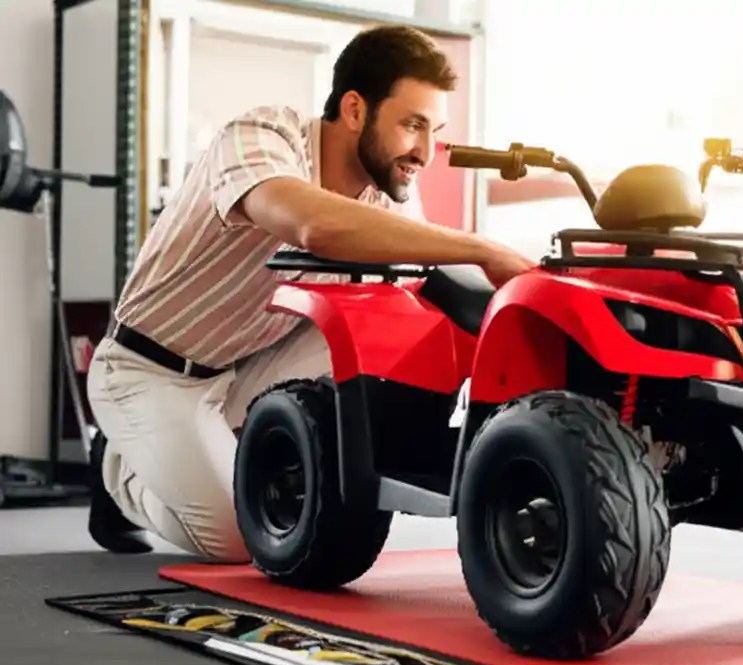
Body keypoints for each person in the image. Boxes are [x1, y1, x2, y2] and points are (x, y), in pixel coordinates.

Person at [84, 24, 536, 559]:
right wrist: (480, 246)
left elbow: (431, 284)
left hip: (241, 367)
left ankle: (223, 452)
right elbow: (311, 224)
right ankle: (119, 472)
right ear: (353, 109)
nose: (425, 152)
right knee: (237, 537)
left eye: (434, 131)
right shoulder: (260, 136)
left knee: (392, 322)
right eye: (413, 125)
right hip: (147, 369)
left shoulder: (386, 198)